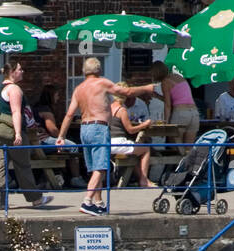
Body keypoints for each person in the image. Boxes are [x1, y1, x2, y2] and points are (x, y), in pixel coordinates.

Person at [56, 57, 133, 216]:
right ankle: (87, 201)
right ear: (99, 70)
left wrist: (61, 136)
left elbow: (70, 114)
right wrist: (146, 88)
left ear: (84, 71)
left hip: (84, 128)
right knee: (101, 167)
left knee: (94, 169)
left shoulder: (79, 89)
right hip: (99, 128)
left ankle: (99, 203)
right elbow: (125, 92)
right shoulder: (102, 83)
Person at [0, 60, 52, 211]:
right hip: (12, 132)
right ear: (12, 73)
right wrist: (18, 133)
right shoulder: (14, 89)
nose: (22, 71)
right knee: (22, 165)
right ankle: (35, 199)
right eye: (20, 69)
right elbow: (16, 111)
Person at [34, 85, 85, 188]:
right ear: (51, 96)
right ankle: (76, 178)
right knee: (73, 146)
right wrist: (62, 138)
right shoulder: (46, 110)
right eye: (57, 95)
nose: (58, 97)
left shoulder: (36, 107)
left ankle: (63, 175)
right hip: (43, 141)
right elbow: (53, 130)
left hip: (36, 142)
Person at [109, 92, 156, 187]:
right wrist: (144, 124)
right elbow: (130, 130)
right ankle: (144, 180)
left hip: (107, 143)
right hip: (119, 143)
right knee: (145, 149)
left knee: (133, 153)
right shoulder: (121, 110)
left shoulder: (108, 108)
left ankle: (138, 178)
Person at [147, 61, 199, 145]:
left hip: (181, 114)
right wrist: (157, 96)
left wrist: (166, 124)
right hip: (194, 113)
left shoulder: (165, 82)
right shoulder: (178, 77)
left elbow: (168, 105)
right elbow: (176, 100)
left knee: (176, 146)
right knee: (188, 148)